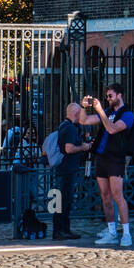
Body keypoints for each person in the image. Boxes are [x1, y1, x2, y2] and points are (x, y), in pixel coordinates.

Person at [80, 83, 134, 248]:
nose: (108, 99)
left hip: (115, 158)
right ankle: (111, 232)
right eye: (107, 96)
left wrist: (100, 110)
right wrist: (84, 106)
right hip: (101, 157)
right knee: (105, 196)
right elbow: (84, 120)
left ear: (119, 95)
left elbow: (111, 129)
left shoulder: (127, 114)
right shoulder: (108, 112)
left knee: (118, 195)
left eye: (111, 96)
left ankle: (126, 233)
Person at [53, 102, 90, 240]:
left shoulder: (64, 126)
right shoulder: (70, 129)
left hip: (63, 169)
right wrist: (84, 147)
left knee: (61, 201)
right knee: (64, 201)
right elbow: (69, 149)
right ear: (76, 113)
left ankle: (62, 230)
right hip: (67, 169)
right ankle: (61, 231)